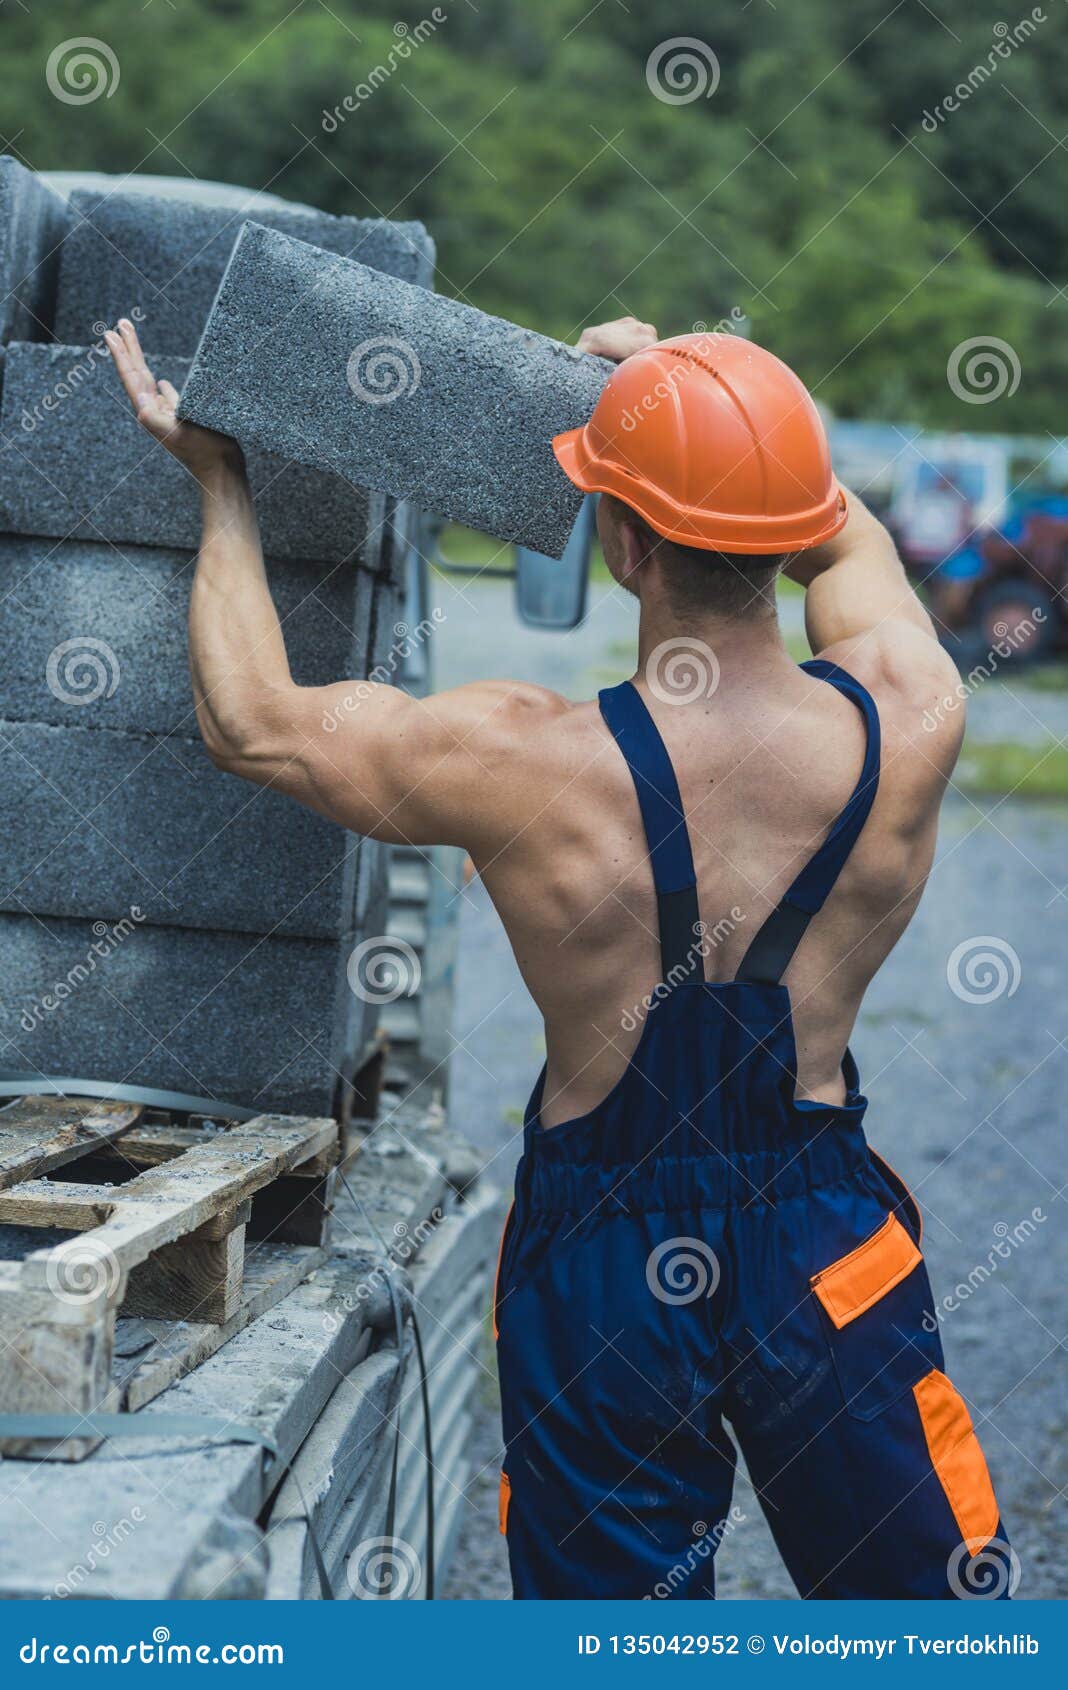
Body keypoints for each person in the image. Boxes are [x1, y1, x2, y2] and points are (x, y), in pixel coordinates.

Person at [106, 314, 1008, 1600]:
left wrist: (220, 479)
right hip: (829, 1247)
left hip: (605, 1271)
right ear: (776, 531)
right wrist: (699, 392)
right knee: (934, 1626)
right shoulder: (912, 713)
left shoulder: (522, 760)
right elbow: (844, 534)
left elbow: (249, 722)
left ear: (626, 545)